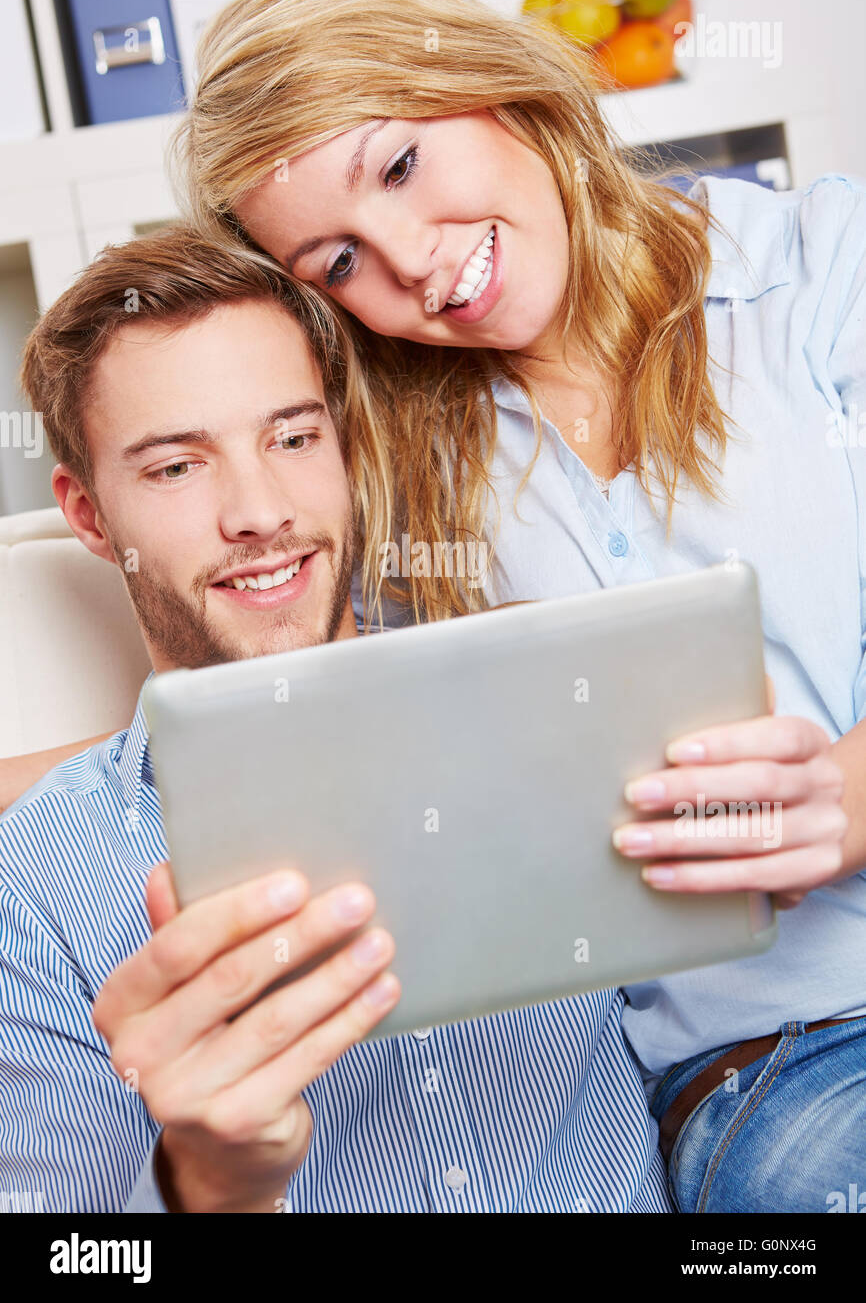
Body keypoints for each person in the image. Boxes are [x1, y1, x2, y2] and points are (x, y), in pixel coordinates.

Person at [172, 0, 866, 1211]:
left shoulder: (820, 270)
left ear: (480, 83)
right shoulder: (391, 485)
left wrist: (847, 794)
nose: (413, 266)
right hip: (781, 1073)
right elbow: (250, 710)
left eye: (396, 167)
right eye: (339, 260)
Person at [0, 228, 670, 1213]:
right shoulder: (38, 883)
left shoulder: (536, 706)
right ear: (90, 516)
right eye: (177, 467)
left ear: (345, 449)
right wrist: (212, 1183)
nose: (260, 510)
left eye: (293, 436)